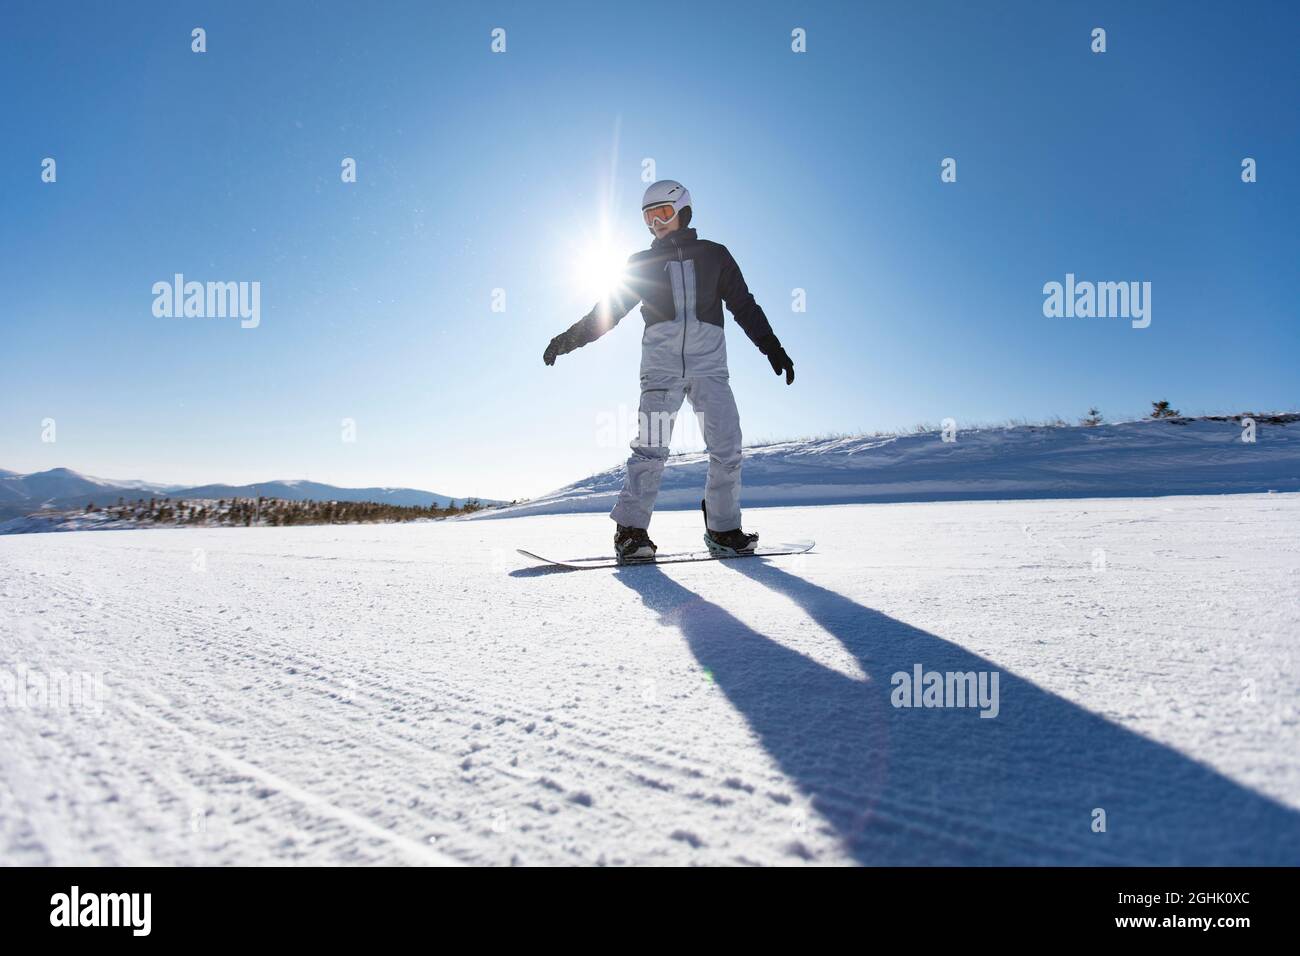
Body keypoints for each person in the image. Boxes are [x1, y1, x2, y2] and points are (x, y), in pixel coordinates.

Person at [543, 179, 794, 562]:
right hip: (660, 370)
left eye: (663, 213)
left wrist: (772, 347)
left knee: (727, 447)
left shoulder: (716, 255)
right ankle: (631, 531)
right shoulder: (640, 263)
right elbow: (605, 314)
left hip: (710, 368)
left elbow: (744, 306)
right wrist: (567, 339)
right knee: (650, 450)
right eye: (649, 217)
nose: (657, 223)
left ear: (684, 211)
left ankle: (723, 529)